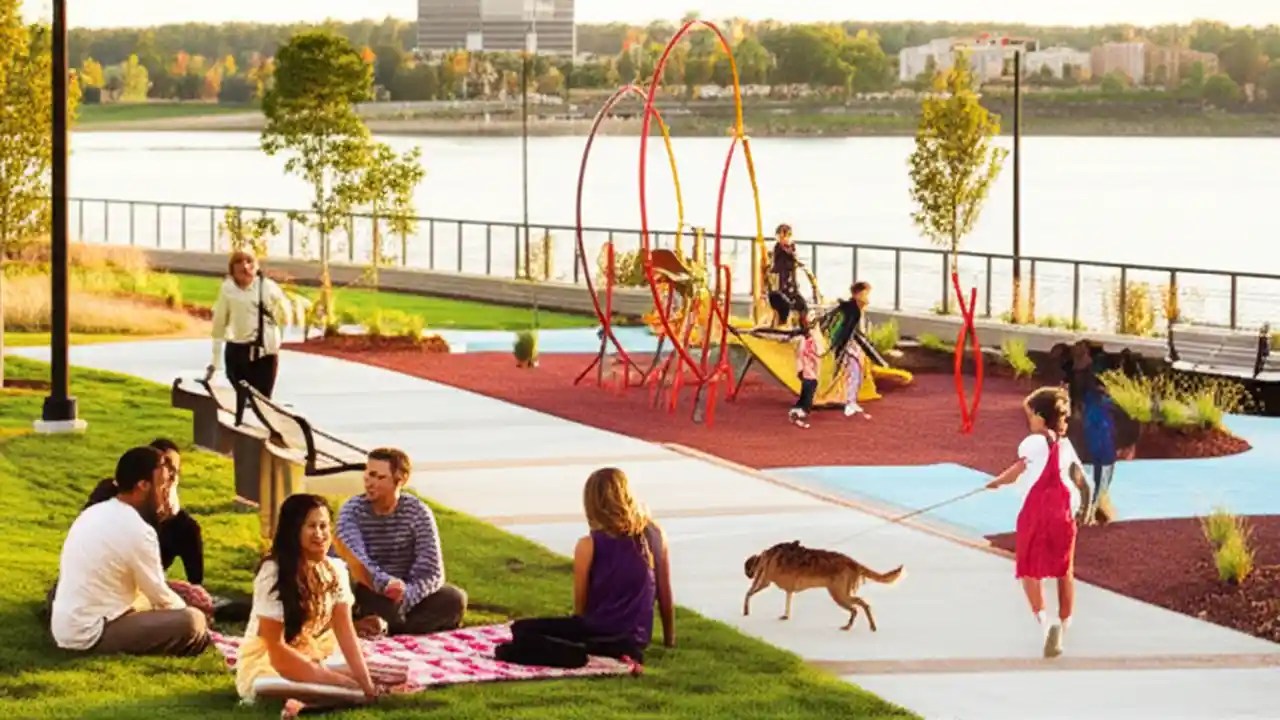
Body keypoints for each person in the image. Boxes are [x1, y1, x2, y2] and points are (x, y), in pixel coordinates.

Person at [494, 467, 674, 667]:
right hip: (635, 639)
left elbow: (581, 608)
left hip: (597, 630)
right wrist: (669, 640)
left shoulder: (588, 545)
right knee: (550, 636)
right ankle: (592, 650)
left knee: (521, 630)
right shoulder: (655, 534)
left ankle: (573, 653)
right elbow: (665, 595)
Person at [50, 446, 210, 656]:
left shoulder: (94, 512)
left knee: (171, 600)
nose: (165, 494)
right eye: (162, 485)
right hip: (93, 632)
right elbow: (161, 597)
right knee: (192, 621)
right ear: (143, 486)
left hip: (66, 626)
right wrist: (194, 614)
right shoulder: (138, 530)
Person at [236, 494, 379, 714]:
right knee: (268, 686)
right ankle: (314, 698)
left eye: (324, 526)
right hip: (271, 661)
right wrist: (339, 681)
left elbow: (345, 631)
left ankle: (309, 700)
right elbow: (277, 651)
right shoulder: (273, 572)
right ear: (294, 530)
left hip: (314, 651)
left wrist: (365, 682)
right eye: (312, 526)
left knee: (381, 674)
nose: (320, 534)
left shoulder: (335, 569)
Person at [985, 387, 1092, 659]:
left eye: (1031, 415)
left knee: (1029, 569)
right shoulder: (1065, 445)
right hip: (1063, 513)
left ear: (1041, 418)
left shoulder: (1033, 442)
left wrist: (997, 482)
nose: (1029, 420)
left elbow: (1018, 470)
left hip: (1036, 513)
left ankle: (1045, 623)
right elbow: (1082, 480)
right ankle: (1064, 624)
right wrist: (1087, 508)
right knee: (1064, 569)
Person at [334, 448, 468, 637]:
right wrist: (386, 584)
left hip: (408, 594)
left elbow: (432, 571)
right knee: (368, 599)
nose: (370, 482)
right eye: (368, 475)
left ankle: (390, 627)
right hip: (370, 588)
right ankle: (394, 627)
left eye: (379, 477)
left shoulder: (418, 512)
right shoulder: (352, 512)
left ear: (400, 480)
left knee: (454, 598)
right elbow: (357, 561)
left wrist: (406, 596)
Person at [205, 250, 295, 423]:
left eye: (249, 262)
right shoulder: (228, 289)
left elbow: (285, 310)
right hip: (238, 350)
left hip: (265, 352)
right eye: (239, 263)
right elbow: (219, 323)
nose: (245, 267)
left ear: (256, 266)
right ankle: (240, 424)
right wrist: (215, 361)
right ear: (232, 269)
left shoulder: (267, 287)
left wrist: (281, 336)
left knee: (263, 401)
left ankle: (268, 430)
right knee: (241, 393)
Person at [824, 281, 874, 420]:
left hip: (853, 346)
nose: (867, 298)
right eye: (865, 294)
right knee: (853, 372)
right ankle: (848, 401)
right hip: (848, 346)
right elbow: (845, 331)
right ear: (857, 294)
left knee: (856, 373)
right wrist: (841, 347)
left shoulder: (856, 310)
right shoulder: (852, 311)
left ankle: (850, 400)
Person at [766, 224, 807, 326]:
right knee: (784, 306)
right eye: (781, 236)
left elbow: (793, 258)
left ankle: (803, 325)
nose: (784, 239)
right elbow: (782, 261)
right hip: (781, 286)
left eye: (786, 236)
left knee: (802, 306)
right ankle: (781, 324)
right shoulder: (779, 249)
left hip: (790, 286)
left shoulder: (791, 249)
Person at [788, 313, 821, 429]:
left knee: (805, 396)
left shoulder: (807, 340)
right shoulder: (805, 341)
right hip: (809, 375)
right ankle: (798, 413)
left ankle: (797, 411)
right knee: (806, 400)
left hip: (808, 374)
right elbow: (813, 357)